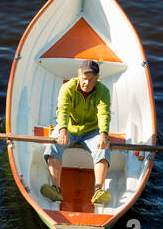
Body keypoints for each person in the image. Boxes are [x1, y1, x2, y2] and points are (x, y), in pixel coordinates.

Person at [41, 60, 112, 205]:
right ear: (78, 76)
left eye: (90, 79)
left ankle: (98, 190)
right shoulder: (67, 88)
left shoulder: (103, 91)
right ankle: (56, 189)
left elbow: (104, 113)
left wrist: (103, 135)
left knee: (103, 150)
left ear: (97, 79)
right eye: (83, 79)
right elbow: (63, 111)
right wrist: (62, 131)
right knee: (53, 146)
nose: (86, 83)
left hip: (92, 130)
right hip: (69, 129)